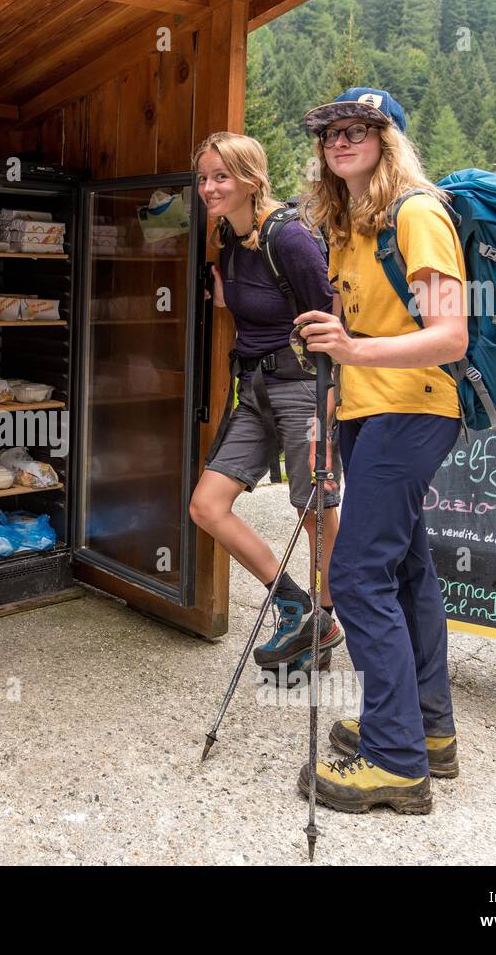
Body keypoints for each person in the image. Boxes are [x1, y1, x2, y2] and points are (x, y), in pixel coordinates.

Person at [295, 88, 468, 813]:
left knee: (359, 574)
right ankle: (426, 730)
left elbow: (451, 334)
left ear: (387, 139)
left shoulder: (416, 212)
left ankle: (395, 760)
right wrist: (327, 418)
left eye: (359, 129)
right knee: (403, 571)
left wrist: (355, 347)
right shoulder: (349, 222)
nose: (342, 140)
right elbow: (348, 345)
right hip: (369, 412)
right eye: (332, 132)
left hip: (415, 407)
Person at [188, 132, 342, 674]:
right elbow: (257, 304)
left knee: (313, 507)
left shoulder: (291, 236)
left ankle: (324, 615)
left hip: (303, 387)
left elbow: (330, 315)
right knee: (206, 506)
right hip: (253, 389)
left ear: (252, 179)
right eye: (204, 177)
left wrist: (327, 405)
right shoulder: (229, 242)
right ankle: (292, 602)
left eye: (221, 176)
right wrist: (228, 295)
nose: (209, 187)